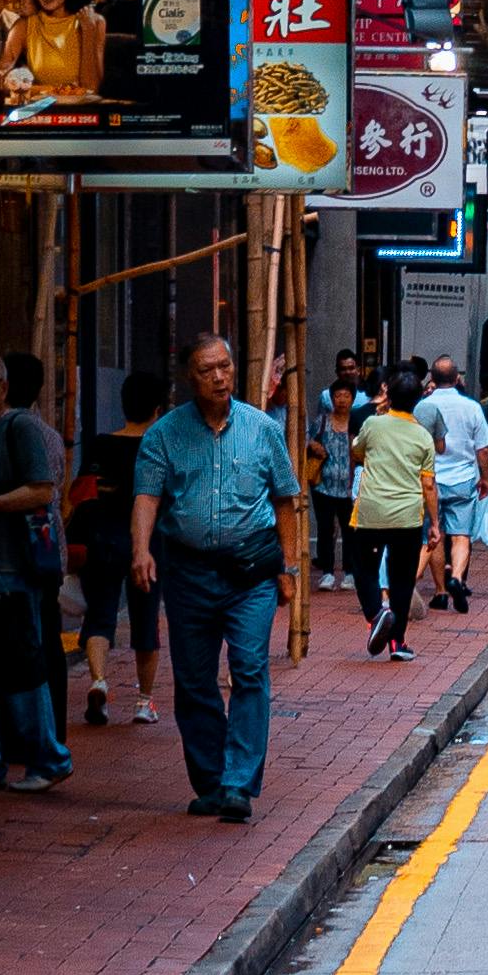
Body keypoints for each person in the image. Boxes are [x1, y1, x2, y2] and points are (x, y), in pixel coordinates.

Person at [131, 332, 301, 822]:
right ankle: (210, 780)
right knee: (194, 679)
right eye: (208, 370)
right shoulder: (164, 434)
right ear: (191, 378)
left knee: (249, 669)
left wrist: (288, 569)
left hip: (251, 572)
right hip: (187, 573)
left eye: (225, 366)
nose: (220, 376)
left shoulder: (261, 428)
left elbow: (286, 501)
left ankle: (238, 783)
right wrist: (141, 550)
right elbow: (147, 497)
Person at [0, 345, 73, 791]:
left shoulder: (22, 428)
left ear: (3, 388)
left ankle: (48, 757)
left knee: (24, 667)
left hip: (13, 568)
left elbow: (42, 492)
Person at [65, 409, 157, 727]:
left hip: (102, 539)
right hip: (145, 543)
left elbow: (80, 491)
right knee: (145, 618)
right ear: (156, 409)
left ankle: (99, 681)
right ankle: (144, 703)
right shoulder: (156, 443)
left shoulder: (101, 443)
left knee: (100, 614)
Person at [348, 368, 436, 658]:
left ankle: (376, 615)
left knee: (364, 570)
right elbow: (429, 485)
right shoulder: (423, 437)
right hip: (408, 517)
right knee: (402, 578)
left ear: (388, 394)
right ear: (420, 397)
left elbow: (356, 451)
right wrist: (434, 523)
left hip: (371, 512)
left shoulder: (373, 425)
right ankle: (397, 643)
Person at [421, 357, 488, 610]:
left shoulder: (423, 406)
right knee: (461, 536)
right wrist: (486, 478)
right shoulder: (471, 407)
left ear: (432, 380)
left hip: (431, 479)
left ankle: (441, 592)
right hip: (463, 479)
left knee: (434, 535)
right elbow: (483, 450)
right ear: (457, 379)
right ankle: (456, 577)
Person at [312, 347, 368, 617]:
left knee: (349, 530)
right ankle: (325, 571)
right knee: (325, 528)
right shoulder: (322, 420)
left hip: (347, 485)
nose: (342, 400)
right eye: (338, 396)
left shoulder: (357, 422)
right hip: (323, 484)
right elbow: (307, 439)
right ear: (331, 398)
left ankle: (348, 571)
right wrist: (314, 446)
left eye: (346, 395)